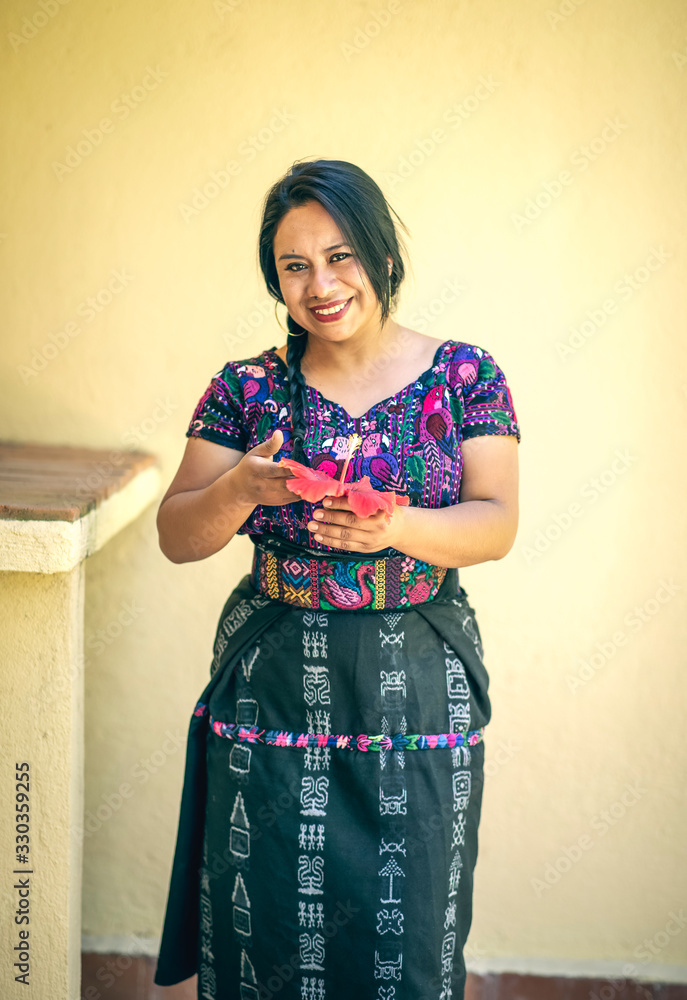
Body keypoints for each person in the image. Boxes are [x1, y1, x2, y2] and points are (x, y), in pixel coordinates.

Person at [153, 157, 520, 1000]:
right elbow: (178, 535)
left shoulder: (465, 376)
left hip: (418, 683)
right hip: (273, 683)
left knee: (412, 928)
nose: (320, 284)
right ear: (274, 280)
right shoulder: (246, 389)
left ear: (382, 255)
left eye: (340, 254)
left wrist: (396, 526)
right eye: (294, 265)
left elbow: (494, 523)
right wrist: (241, 486)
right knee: (264, 923)